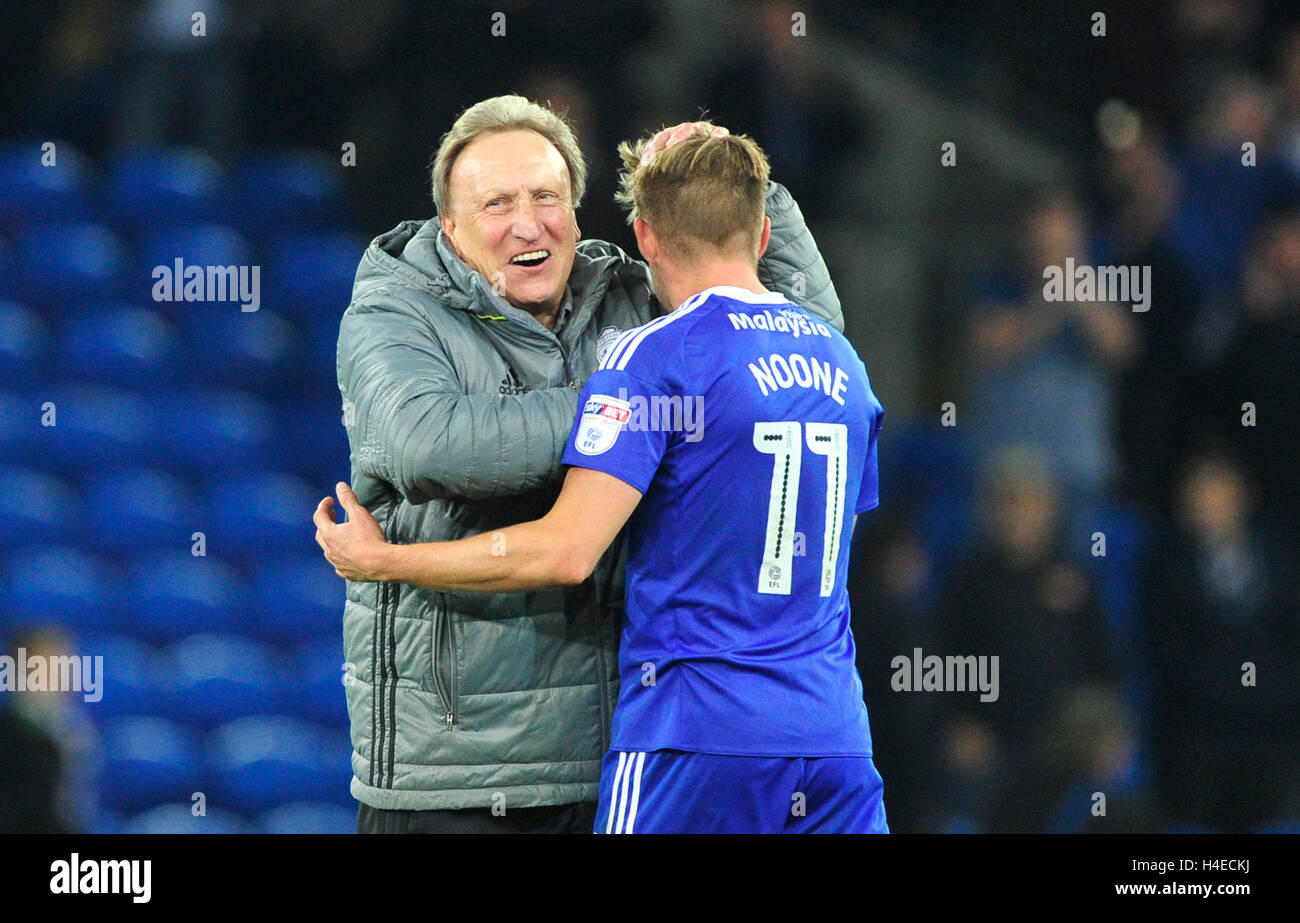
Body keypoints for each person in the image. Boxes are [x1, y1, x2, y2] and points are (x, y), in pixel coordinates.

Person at [318, 124, 887, 833]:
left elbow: (567, 550)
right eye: (498, 203)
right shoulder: (841, 364)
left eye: (547, 196)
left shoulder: (653, 356)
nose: (528, 221)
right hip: (831, 729)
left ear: (641, 238)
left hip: (690, 731)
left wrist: (387, 562)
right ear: (764, 233)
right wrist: (741, 172)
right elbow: (430, 443)